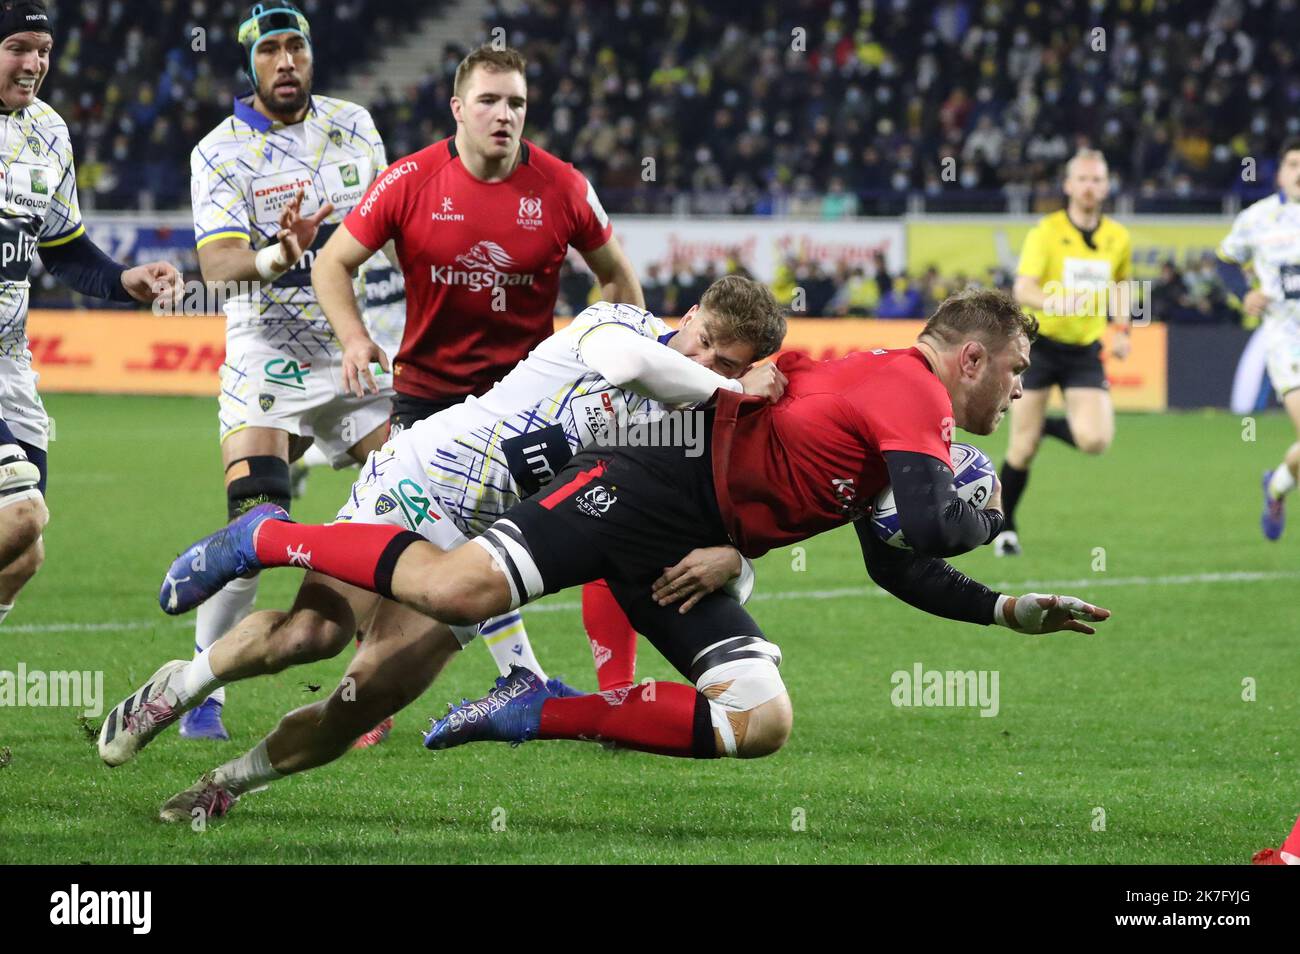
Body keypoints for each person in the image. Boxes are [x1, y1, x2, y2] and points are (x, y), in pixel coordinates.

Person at [140, 289, 1108, 809]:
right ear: (970, 358)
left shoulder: (890, 400)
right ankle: (266, 532)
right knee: (456, 596)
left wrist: (1005, 609)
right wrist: (983, 516)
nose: (1021, 391)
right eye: (1018, 370)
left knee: (760, 719)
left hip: (686, 540)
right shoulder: (915, 393)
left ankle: (537, 708)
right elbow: (933, 526)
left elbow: (895, 559)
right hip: (637, 490)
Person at [97, 278, 787, 820]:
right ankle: (178, 689)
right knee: (311, 636)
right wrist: (731, 389)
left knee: (360, 702)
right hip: (423, 480)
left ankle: (225, 784)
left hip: (488, 551)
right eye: (704, 343)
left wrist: (738, 561)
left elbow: (703, 514)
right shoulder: (620, 324)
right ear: (689, 316)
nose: (704, 362)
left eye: (727, 362)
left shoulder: (696, 424)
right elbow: (629, 364)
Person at [311, 43, 644, 694]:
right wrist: (353, 339)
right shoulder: (409, 180)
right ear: (458, 108)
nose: (504, 114)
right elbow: (332, 262)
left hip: (529, 407)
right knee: (395, 554)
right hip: (429, 401)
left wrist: (607, 360)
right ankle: (368, 696)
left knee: (607, 518)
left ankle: (612, 691)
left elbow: (619, 281)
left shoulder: (564, 187)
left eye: (516, 102)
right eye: (489, 100)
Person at [183, 2, 400, 741]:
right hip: (266, 349)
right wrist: (279, 253)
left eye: (296, 48)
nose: (286, 62)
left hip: (352, 346)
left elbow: (392, 229)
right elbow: (217, 266)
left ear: (311, 55)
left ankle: (382, 686)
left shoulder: (354, 126)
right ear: (250, 63)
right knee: (254, 528)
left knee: (424, 502)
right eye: (271, 50)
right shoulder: (219, 150)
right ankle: (202, 690)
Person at [0, 1, 181, 628]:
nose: (34, 63)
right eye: (18, 48)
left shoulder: (48, 132)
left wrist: (125, 280)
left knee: (22, 555)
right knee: (20, 514)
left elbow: (64, 249)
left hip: (10, 365)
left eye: (44, 50)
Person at [994, 149, 1133, 556]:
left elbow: (1122, 284)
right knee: (1022, 449)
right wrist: (1055, 301)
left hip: (1084, 349)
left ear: (1106, 187)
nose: (1090, 186)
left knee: (1095, 440)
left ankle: (1044, 426)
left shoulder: (1118, 237)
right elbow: (1023, 288)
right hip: (1039, 347)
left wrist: (1122, 329)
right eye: (1083, 179)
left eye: (1097, 179)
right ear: (1069, 185)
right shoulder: (1047, 231)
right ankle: (1005, 528)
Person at [1217, 138, 1300, 540]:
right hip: (1288, 341)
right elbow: (1225, 259)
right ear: (1280, 173)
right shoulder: (1258, 218)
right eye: (1293, 164)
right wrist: (1244, 293)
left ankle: (1277, 485)